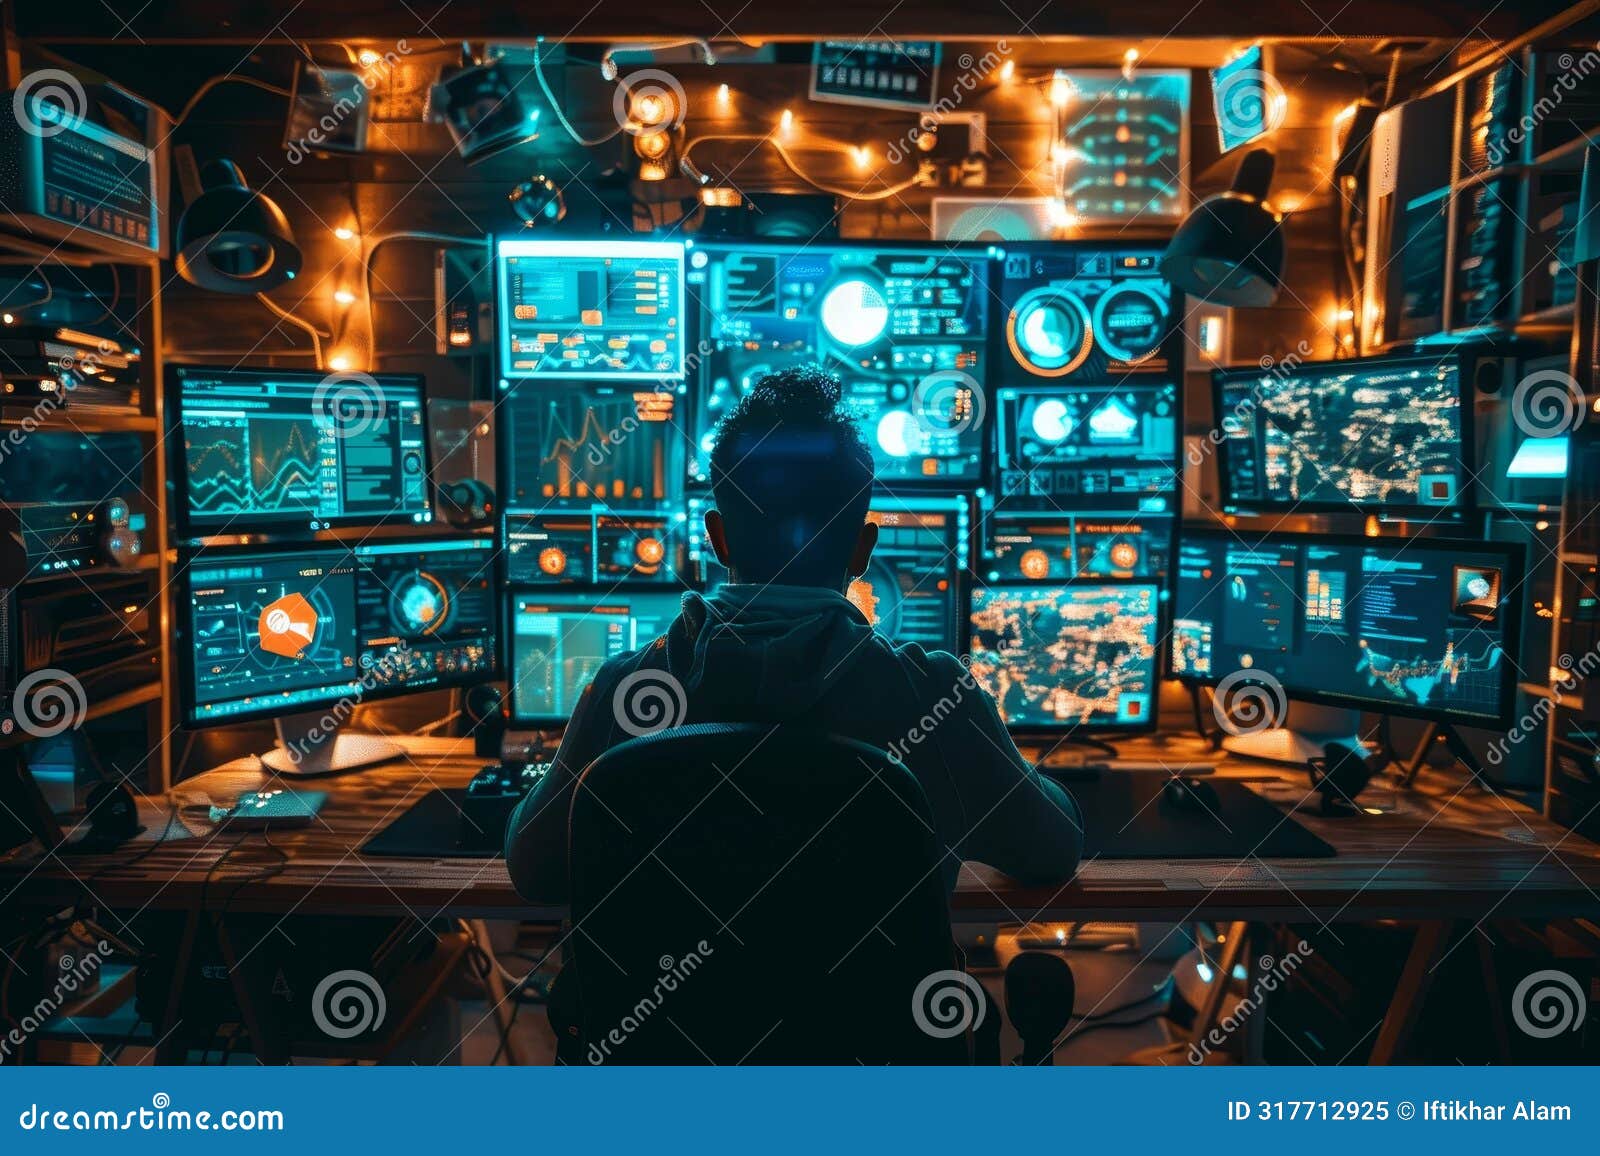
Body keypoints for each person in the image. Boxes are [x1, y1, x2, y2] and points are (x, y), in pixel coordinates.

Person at [504, 365, 1083, 901]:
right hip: (871, 1015)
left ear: (717, 538)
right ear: (863, 548)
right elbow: (1053, 850)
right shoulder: (934, 699)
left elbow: (533, 868)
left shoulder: (625, 693)